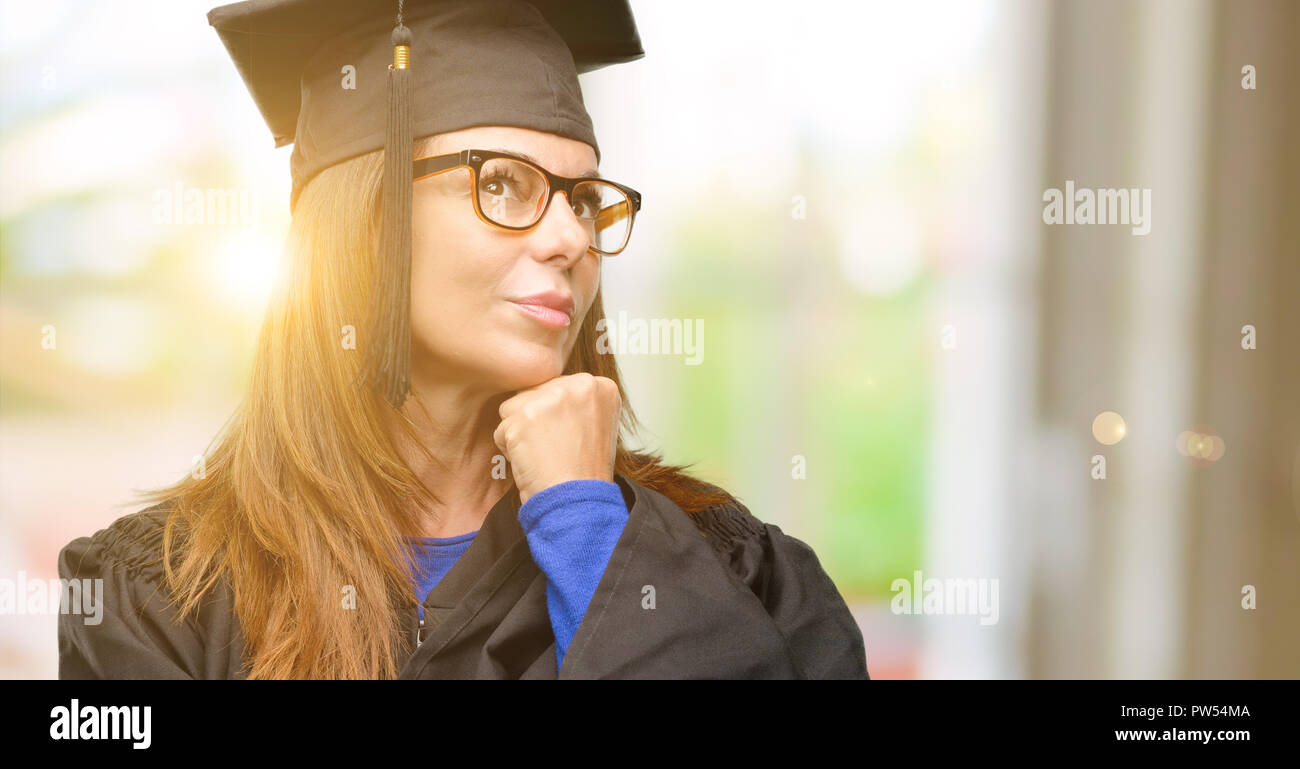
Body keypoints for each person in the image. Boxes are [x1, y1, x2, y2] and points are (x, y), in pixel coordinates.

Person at [56, 0, 870, 680]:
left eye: (584, 200)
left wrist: (585, 527)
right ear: (365, 224)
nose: (570, 238)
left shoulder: (732, 567)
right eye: (503, 183)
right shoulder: (161, 598)